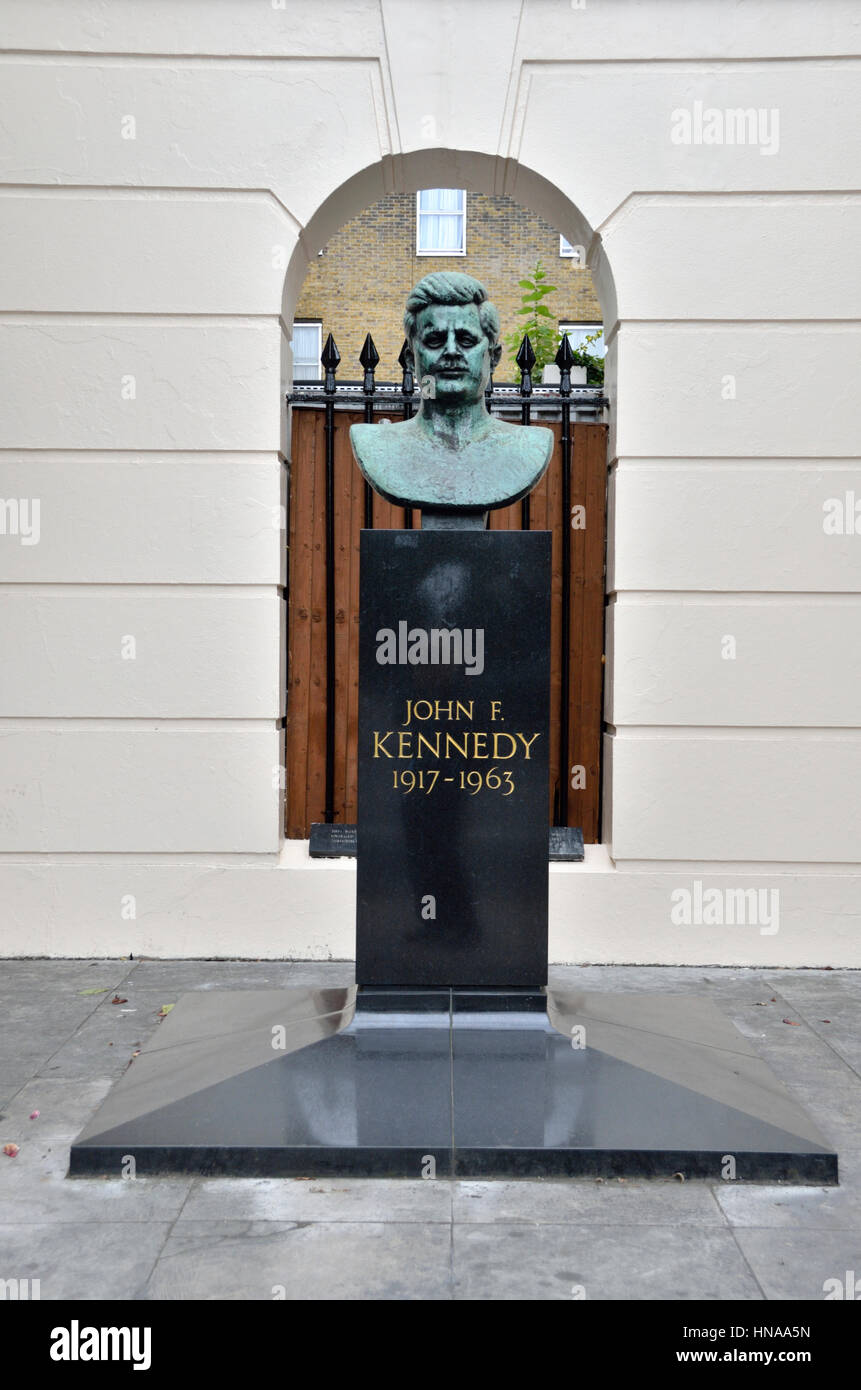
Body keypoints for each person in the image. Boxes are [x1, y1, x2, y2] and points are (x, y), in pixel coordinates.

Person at [349, 271, 552, 522]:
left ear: (494, 357)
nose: (452, 351)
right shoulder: (376, 445)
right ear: (412, 360)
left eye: (467, 340)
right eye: (435, 340)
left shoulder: (529, 447)